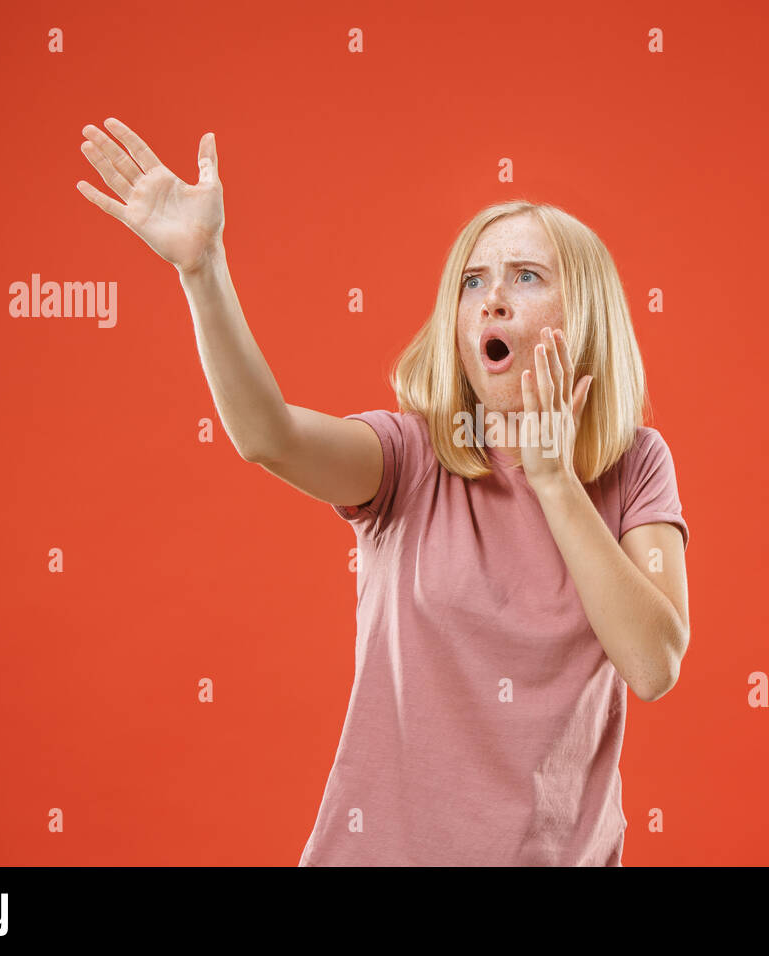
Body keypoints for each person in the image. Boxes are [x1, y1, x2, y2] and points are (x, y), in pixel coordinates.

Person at [75, 118, 691, 866]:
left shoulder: (635, 466)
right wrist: (203, 271)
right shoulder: (411, 456)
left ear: (583, 311)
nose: (492, 299)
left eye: (525, 276)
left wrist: (554, 480)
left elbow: (654, 664)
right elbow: (267, 435)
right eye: (473, 282)